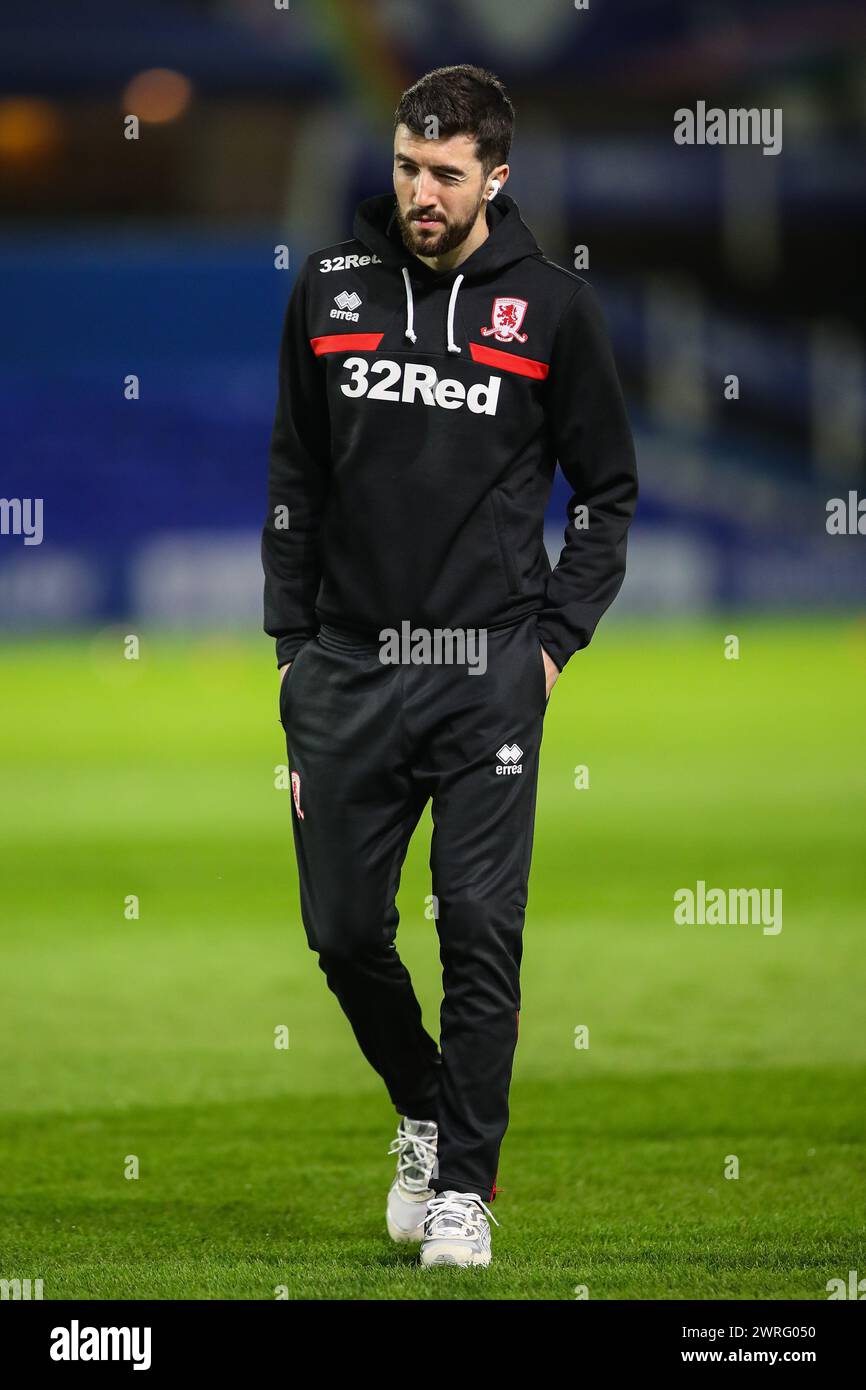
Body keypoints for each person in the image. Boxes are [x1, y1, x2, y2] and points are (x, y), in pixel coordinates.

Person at [261, 63, 638, 1268]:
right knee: (341, 933)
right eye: (406, 167)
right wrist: (285, 652)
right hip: (345, 670)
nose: (419, 191)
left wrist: (554, 644)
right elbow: (294, 482)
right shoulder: (326, 291)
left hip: (486, 674)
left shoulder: (552, 308)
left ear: (494, 177)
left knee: (478, 925)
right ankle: (420, 1109)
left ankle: (465, 1189)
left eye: (444, 173)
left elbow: (608, 493)